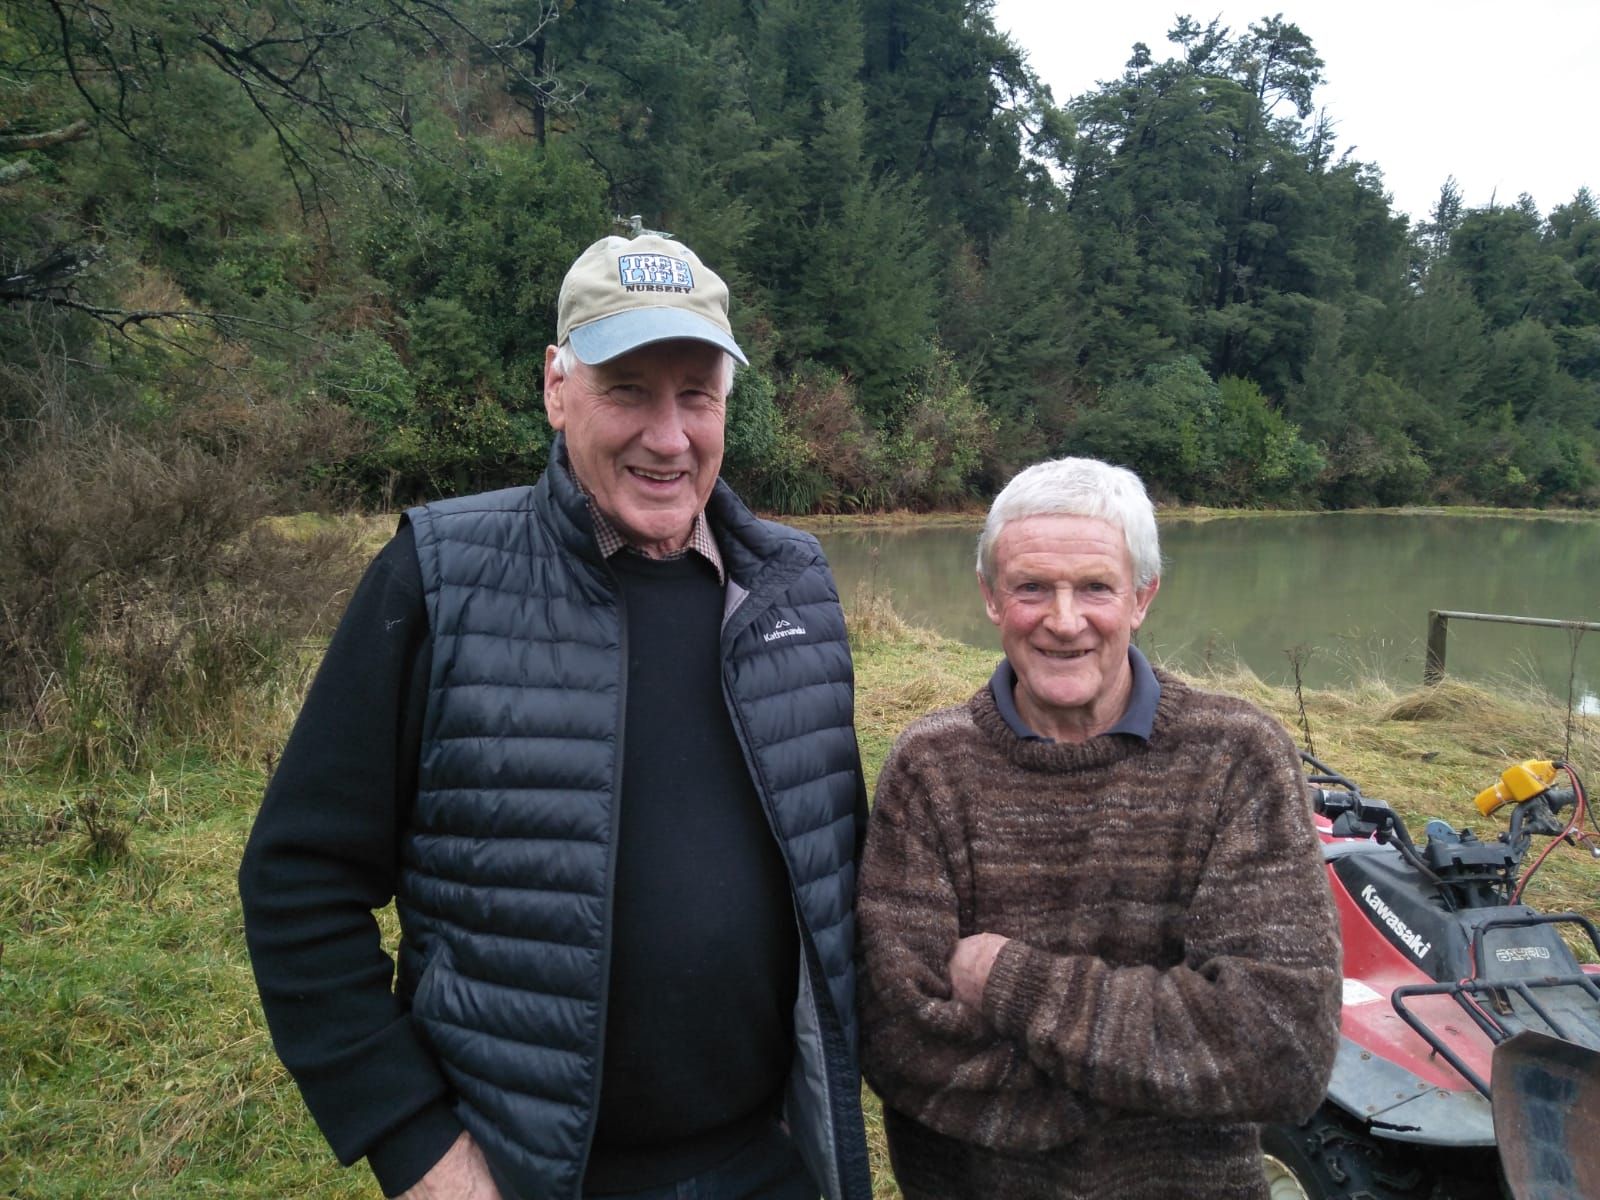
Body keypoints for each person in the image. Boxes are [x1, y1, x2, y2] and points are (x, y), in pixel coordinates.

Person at [239, 234, 872, 1200]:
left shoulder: (794, 584)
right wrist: (417, 1148)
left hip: (770, 1164)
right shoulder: (438, 575)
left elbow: (835, 875)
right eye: (627, 389)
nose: (669, 436)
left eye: (696, 394)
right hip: (530, 1178)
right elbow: (298, 884)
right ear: (556, 385)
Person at [855, 456, 1341, 1200]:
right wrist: (1152, 1080)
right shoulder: (930, 768)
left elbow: (1282, 1051)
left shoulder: (1238, 758)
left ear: (1142, 596)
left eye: (1094, 587)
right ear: (990, 596)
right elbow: (899, 1038)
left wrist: (1004, 979)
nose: (1063, 619)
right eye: (1030, 588)